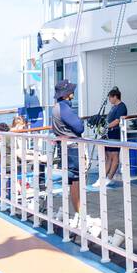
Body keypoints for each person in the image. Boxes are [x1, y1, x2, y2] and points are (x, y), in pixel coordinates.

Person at [51, 78, 84, 219]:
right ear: (65, 94)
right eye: (70, 90)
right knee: (76, 180)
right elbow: (79, 127)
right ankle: (80, 214)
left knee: (72, 181)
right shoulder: (64, 108)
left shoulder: (56, 107)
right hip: (72, 148)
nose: (72, 92)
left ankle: (78, 213)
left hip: (64, 147)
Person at [100, 87, 127, 185]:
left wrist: (106, 127)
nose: (109, 100)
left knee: (114, 156)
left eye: (110, 98)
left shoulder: (121, 107)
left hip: (115, 133)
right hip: (109, 133)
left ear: (115, 97)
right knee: (108, 156)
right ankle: (103, 178)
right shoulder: (113, 107)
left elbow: (117, 120)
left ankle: (109, 178)